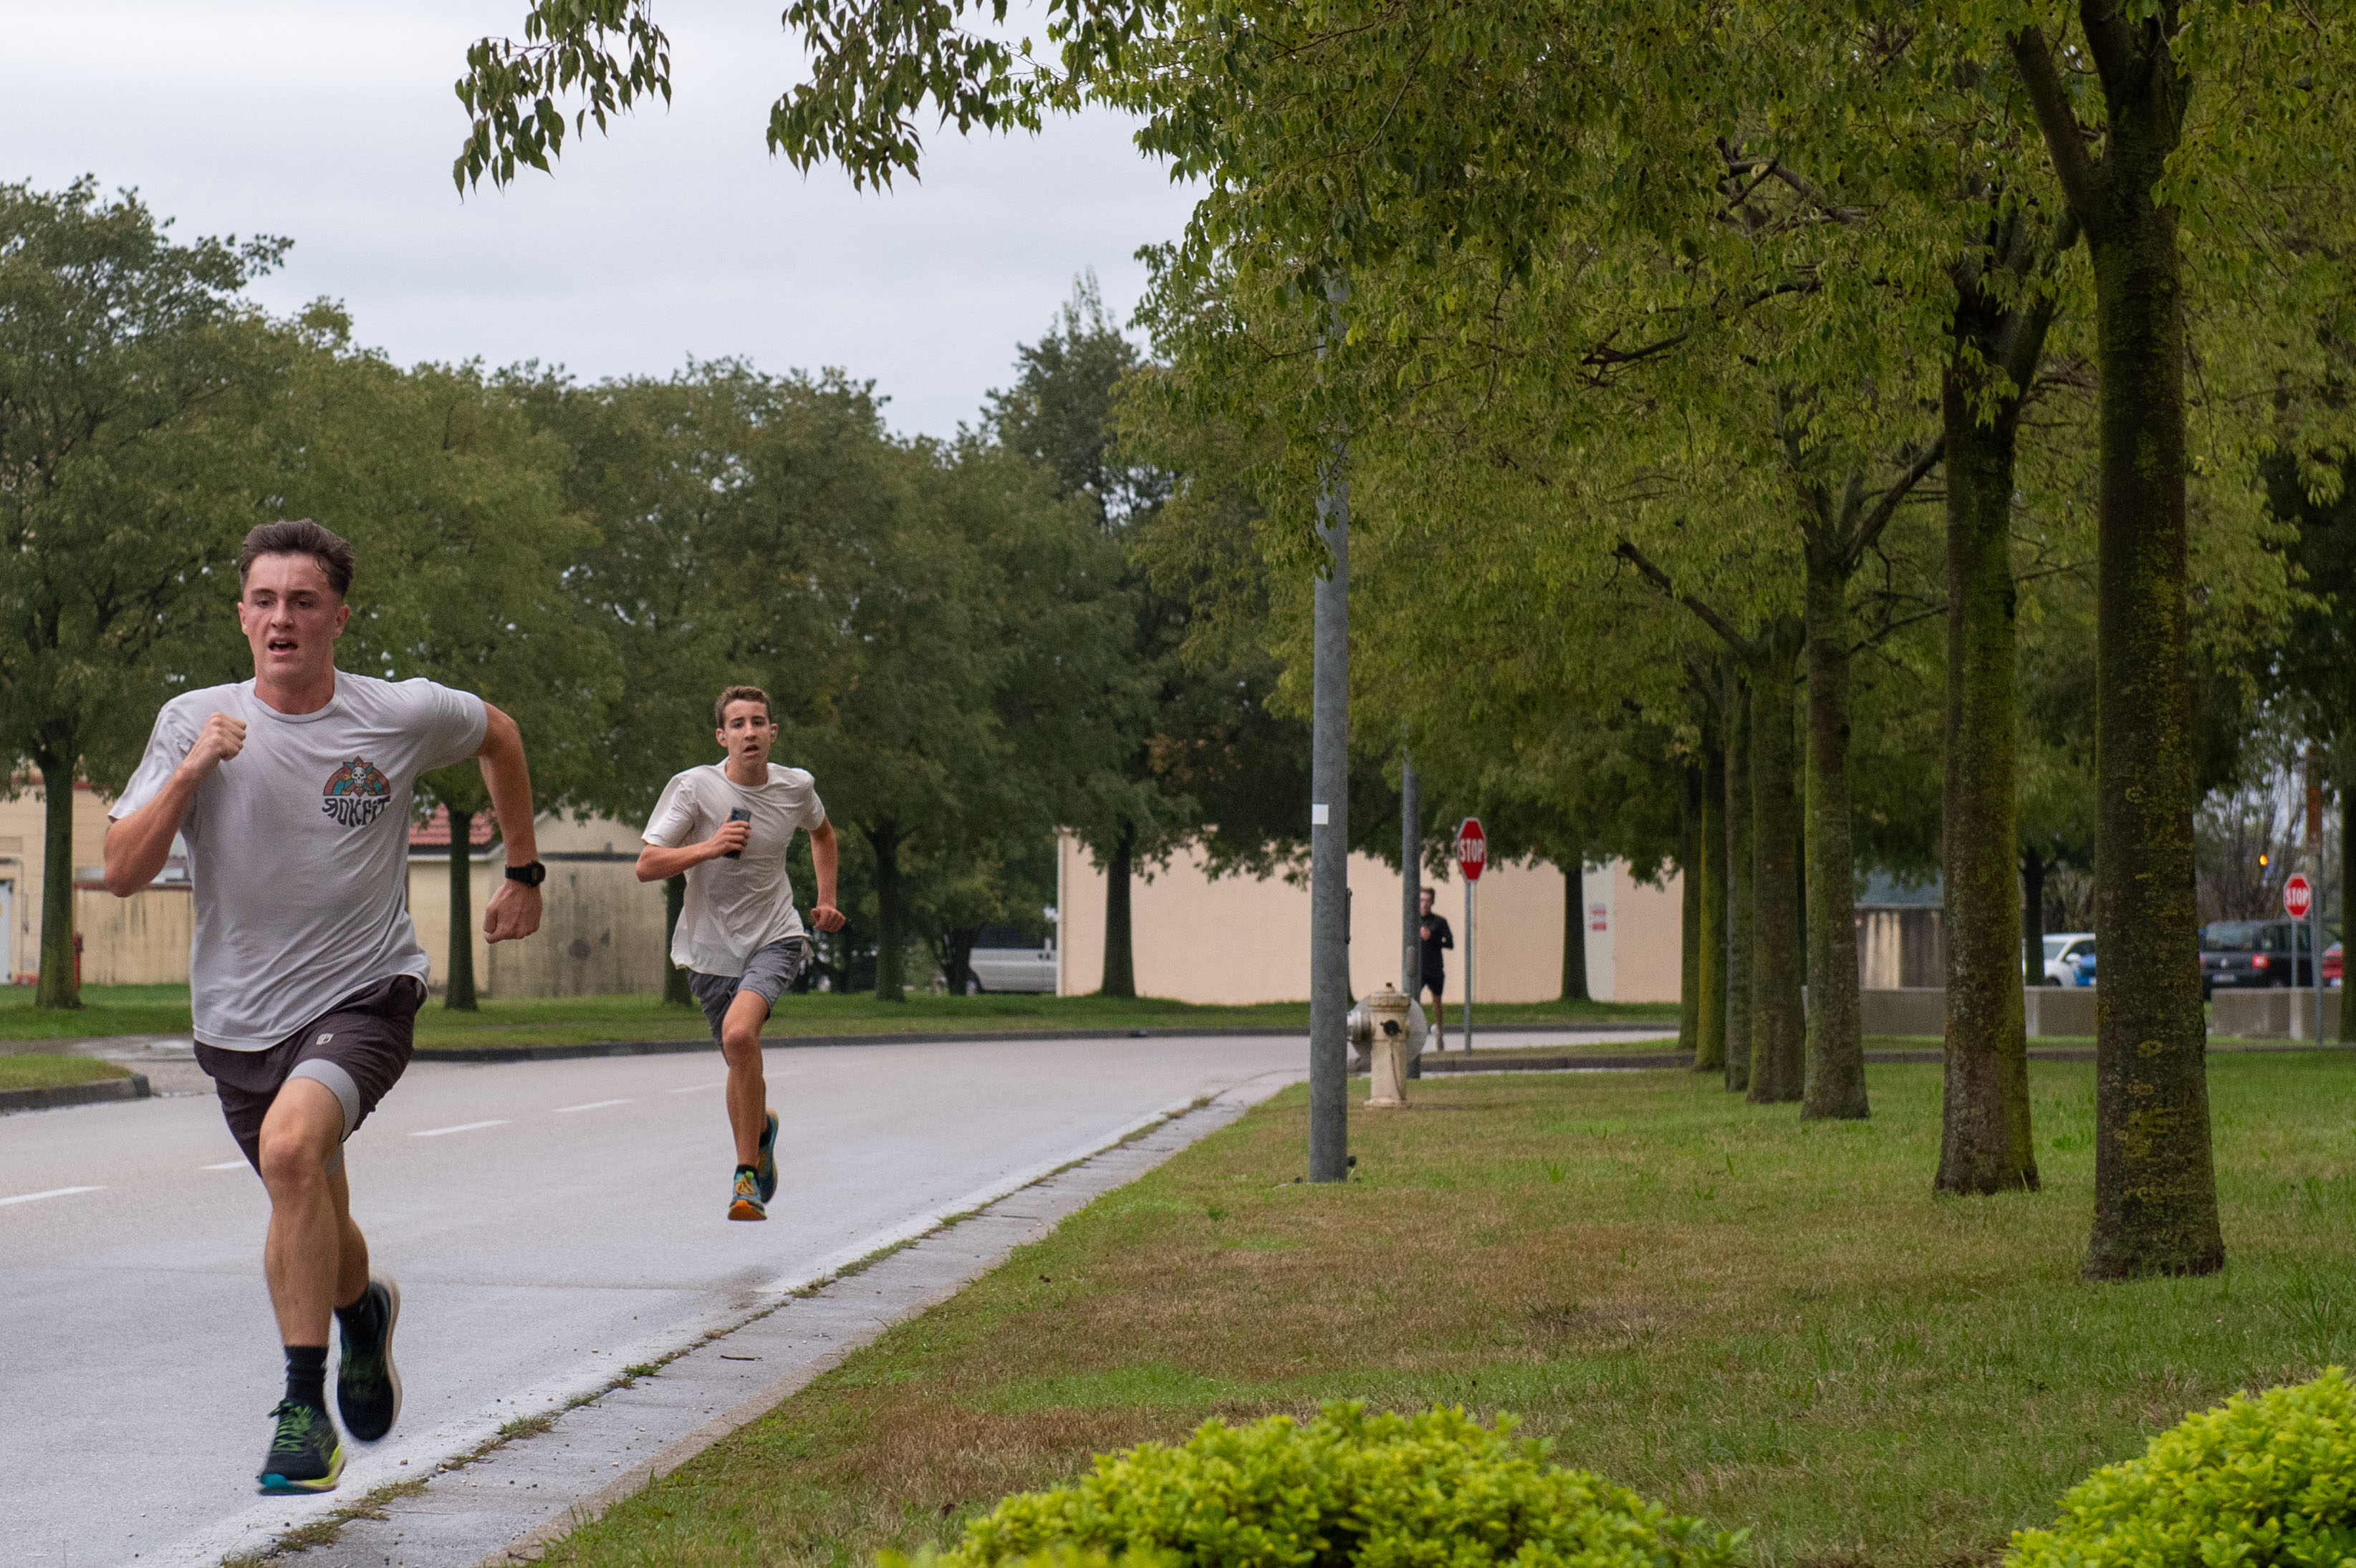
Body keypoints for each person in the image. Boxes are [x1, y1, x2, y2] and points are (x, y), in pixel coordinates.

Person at [103, 519, 546, 1496]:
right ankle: (360, 1315)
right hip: (238, 1020)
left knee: (294, 1153)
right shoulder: (193, 720)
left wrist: (521, 868)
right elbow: (124, 872)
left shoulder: (397, 714)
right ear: (242, 616)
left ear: (339, 618)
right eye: (264, 600)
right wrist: (190, 773)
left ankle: (303, 1415)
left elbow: (501, 733)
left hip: (365, 990)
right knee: (311, 1207)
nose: (281, 619)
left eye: (303, 602)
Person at [636, 686, 844, 1221]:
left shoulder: (796, 787)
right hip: (708, 950)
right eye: (738, 723)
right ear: (722, 736)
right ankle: (761, 1132)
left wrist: (825, 899)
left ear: (773, 732)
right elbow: (647, 863)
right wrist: (709, 845)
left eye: (759, 722)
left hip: (775, 935)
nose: (749, 731)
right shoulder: (693, 787)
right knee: (738, 1056)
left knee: (738, 1035)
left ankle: (744, 1177)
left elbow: (823, 834)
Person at [1418, 887, 1455, 1048]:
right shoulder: (1413, 920)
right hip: (1418, 968)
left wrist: (1432, 938)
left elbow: (1450, 943)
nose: (1424, 904)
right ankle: (1416, 1029)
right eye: (1422, 900)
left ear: (1432, 902)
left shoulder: (1439, 922)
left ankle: (1439, 1030)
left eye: (1427, 900)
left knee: (1437, 1001)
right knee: (1413, 1000)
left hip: (1434, 967)